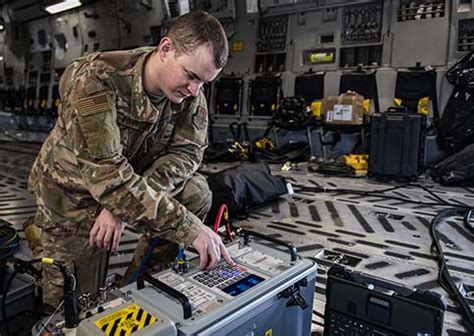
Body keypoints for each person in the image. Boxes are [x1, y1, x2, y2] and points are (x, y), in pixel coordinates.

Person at [27, 10, 233, 308]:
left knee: (196, 192)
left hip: (124, 186)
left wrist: (123, 206)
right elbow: (108, 176)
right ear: (166, 49)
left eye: (203, 82)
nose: (194, 90)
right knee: (71, 305)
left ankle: (143, 283)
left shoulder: (189, 93)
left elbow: (187, 153)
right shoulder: (96, 80)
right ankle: (41, 241)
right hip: (71, 195)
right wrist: (189, 229)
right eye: (190, 76)